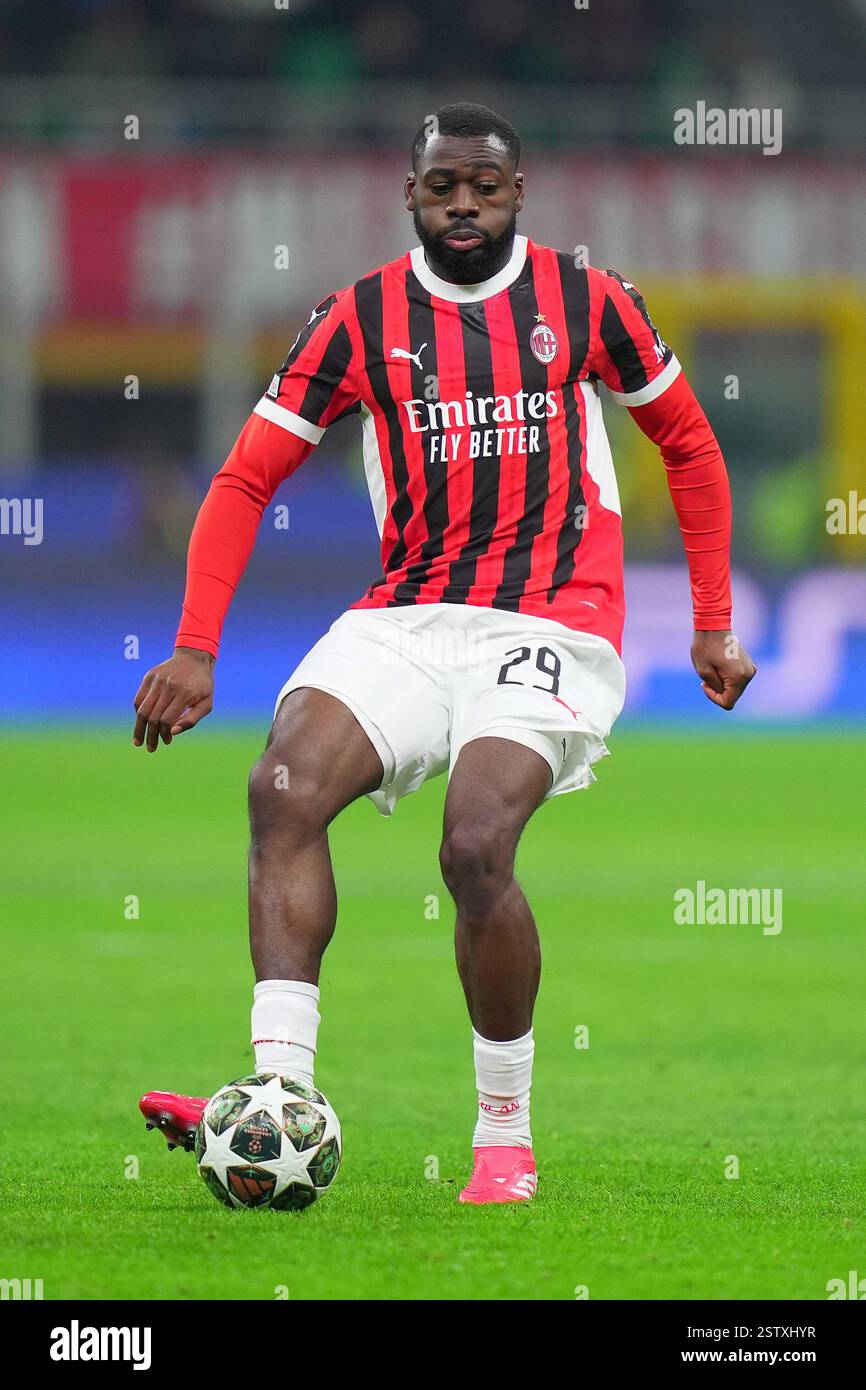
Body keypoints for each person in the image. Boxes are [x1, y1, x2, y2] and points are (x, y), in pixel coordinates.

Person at [135, 102, 755, 1205]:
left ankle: (502, 1133)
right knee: (280, 788)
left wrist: (709, 617)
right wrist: (194, 647)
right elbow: (241, 482)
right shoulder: (355, 319)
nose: (462, 203)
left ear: (520, 195)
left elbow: (689, 446)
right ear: (408, 196)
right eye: (440, 186)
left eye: (483, 184)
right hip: (408, 615)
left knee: (473, 845)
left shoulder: (587, 300)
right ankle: (280, 1095)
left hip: (552, 617)